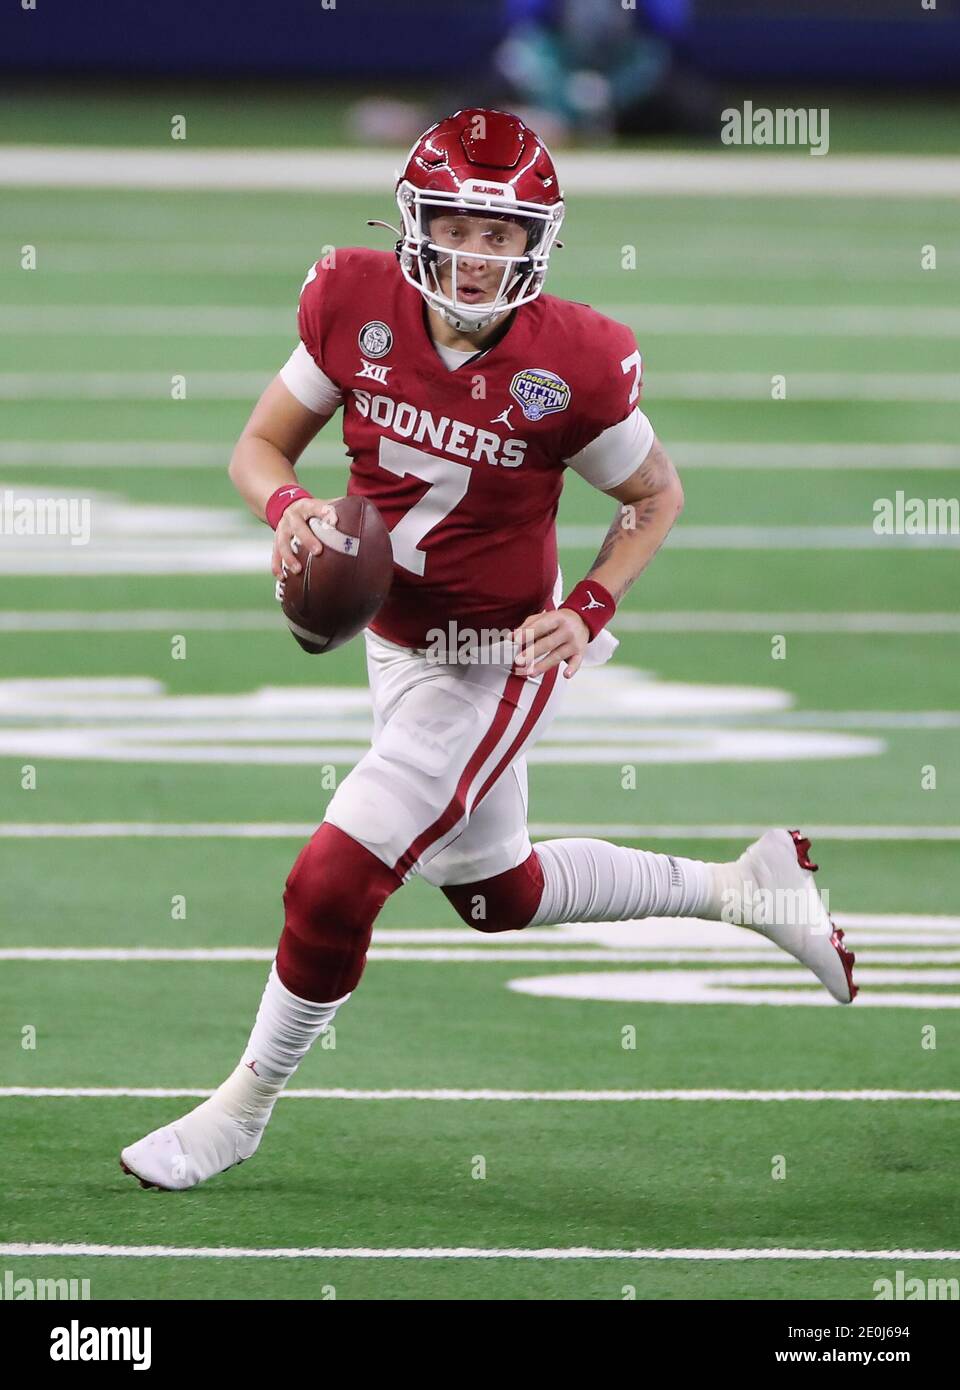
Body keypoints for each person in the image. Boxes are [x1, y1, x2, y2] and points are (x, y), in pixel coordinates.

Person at [120, 108, 855, 1192]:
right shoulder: (352, 300)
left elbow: (655, 496)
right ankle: (743, 888)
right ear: (418, 223)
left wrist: (594, 605)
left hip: (494, 651)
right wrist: (287, 508)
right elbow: (261, 444)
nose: (476, 255)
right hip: (395, 631)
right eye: (459, 226)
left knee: (330, 881)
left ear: (537, 244)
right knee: (493, 893)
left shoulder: (579, 362)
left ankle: (241, 1107)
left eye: (502, 235)